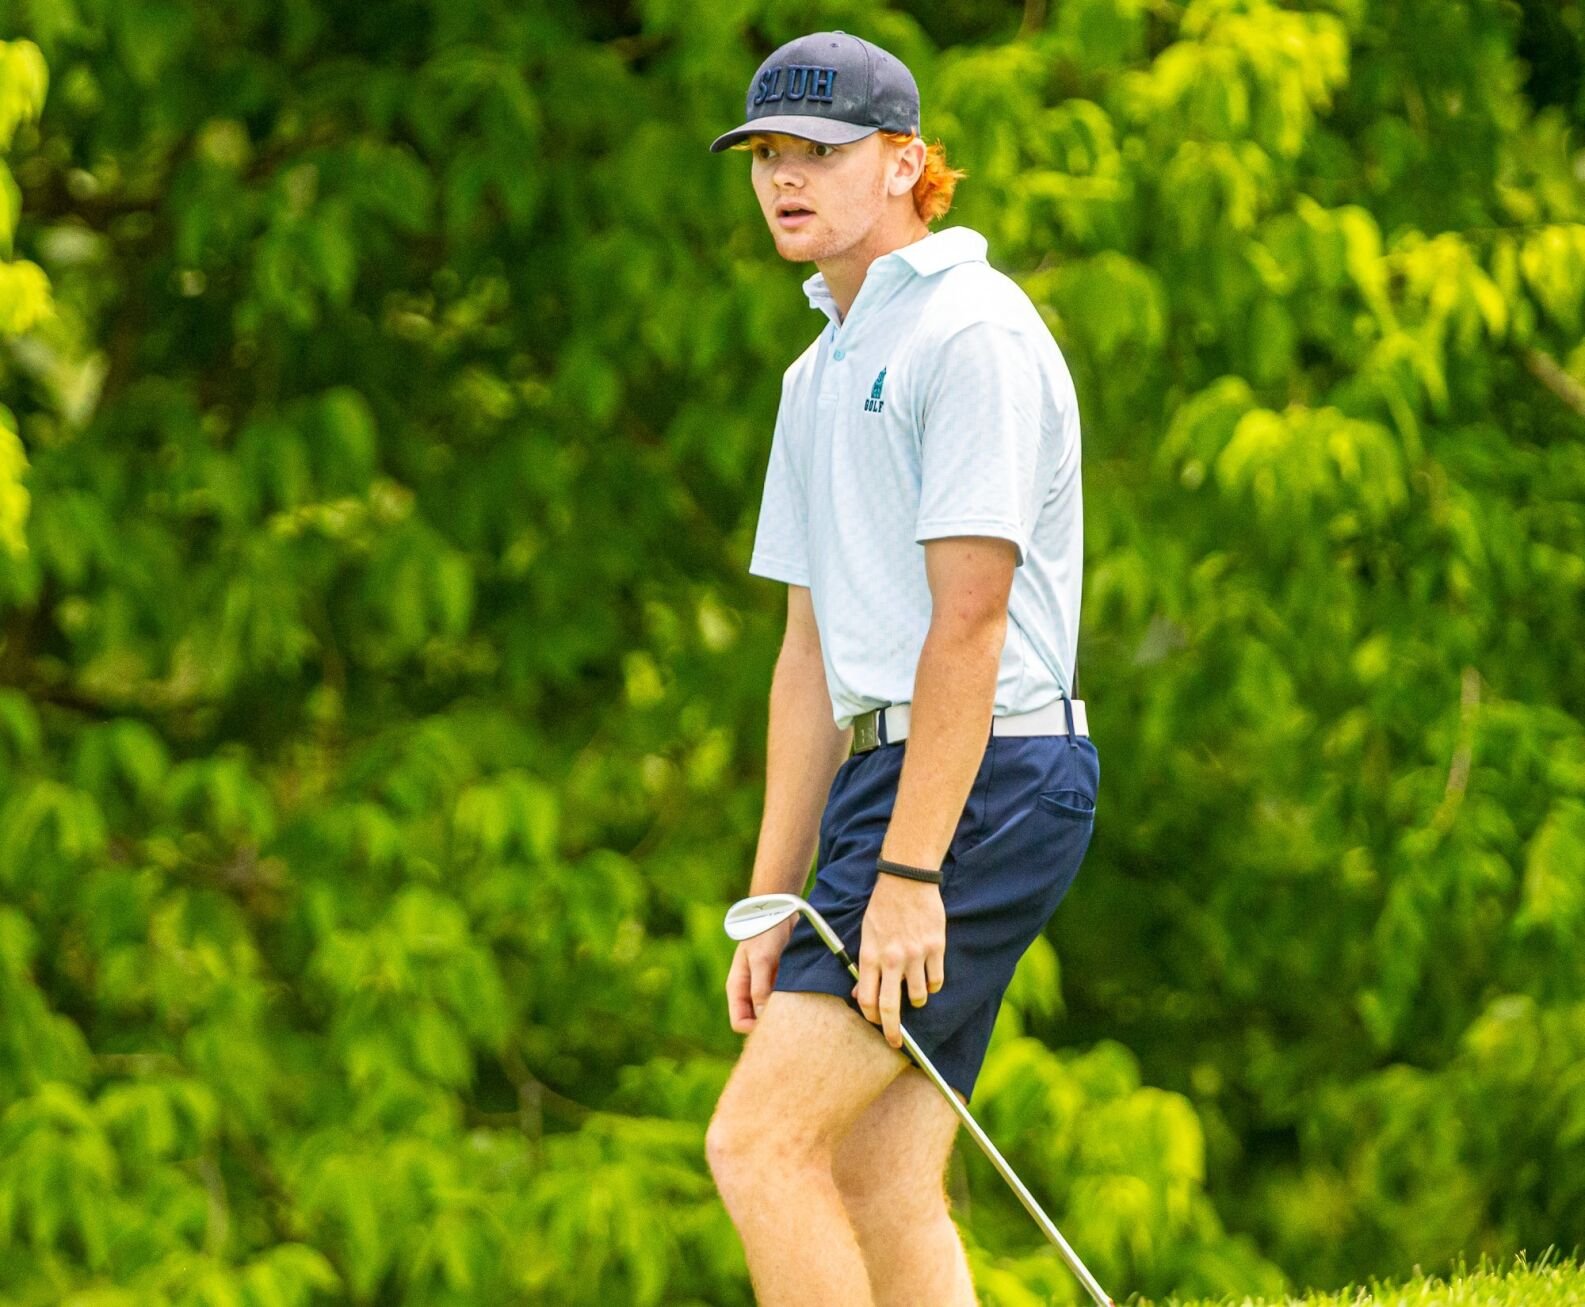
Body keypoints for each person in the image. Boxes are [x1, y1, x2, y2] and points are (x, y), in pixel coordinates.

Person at [702, 29, 1100, 1307]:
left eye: (819, 150)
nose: (785, 177)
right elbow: (806, 654)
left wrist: (912, 870)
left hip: (986, 778)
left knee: (759, 1142)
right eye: (767, 152)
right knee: (873, 1170)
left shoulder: (972, 331)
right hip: (899, 786)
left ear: (905, 163)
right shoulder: (812, 373)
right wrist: (772, 903)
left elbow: (968, 625)